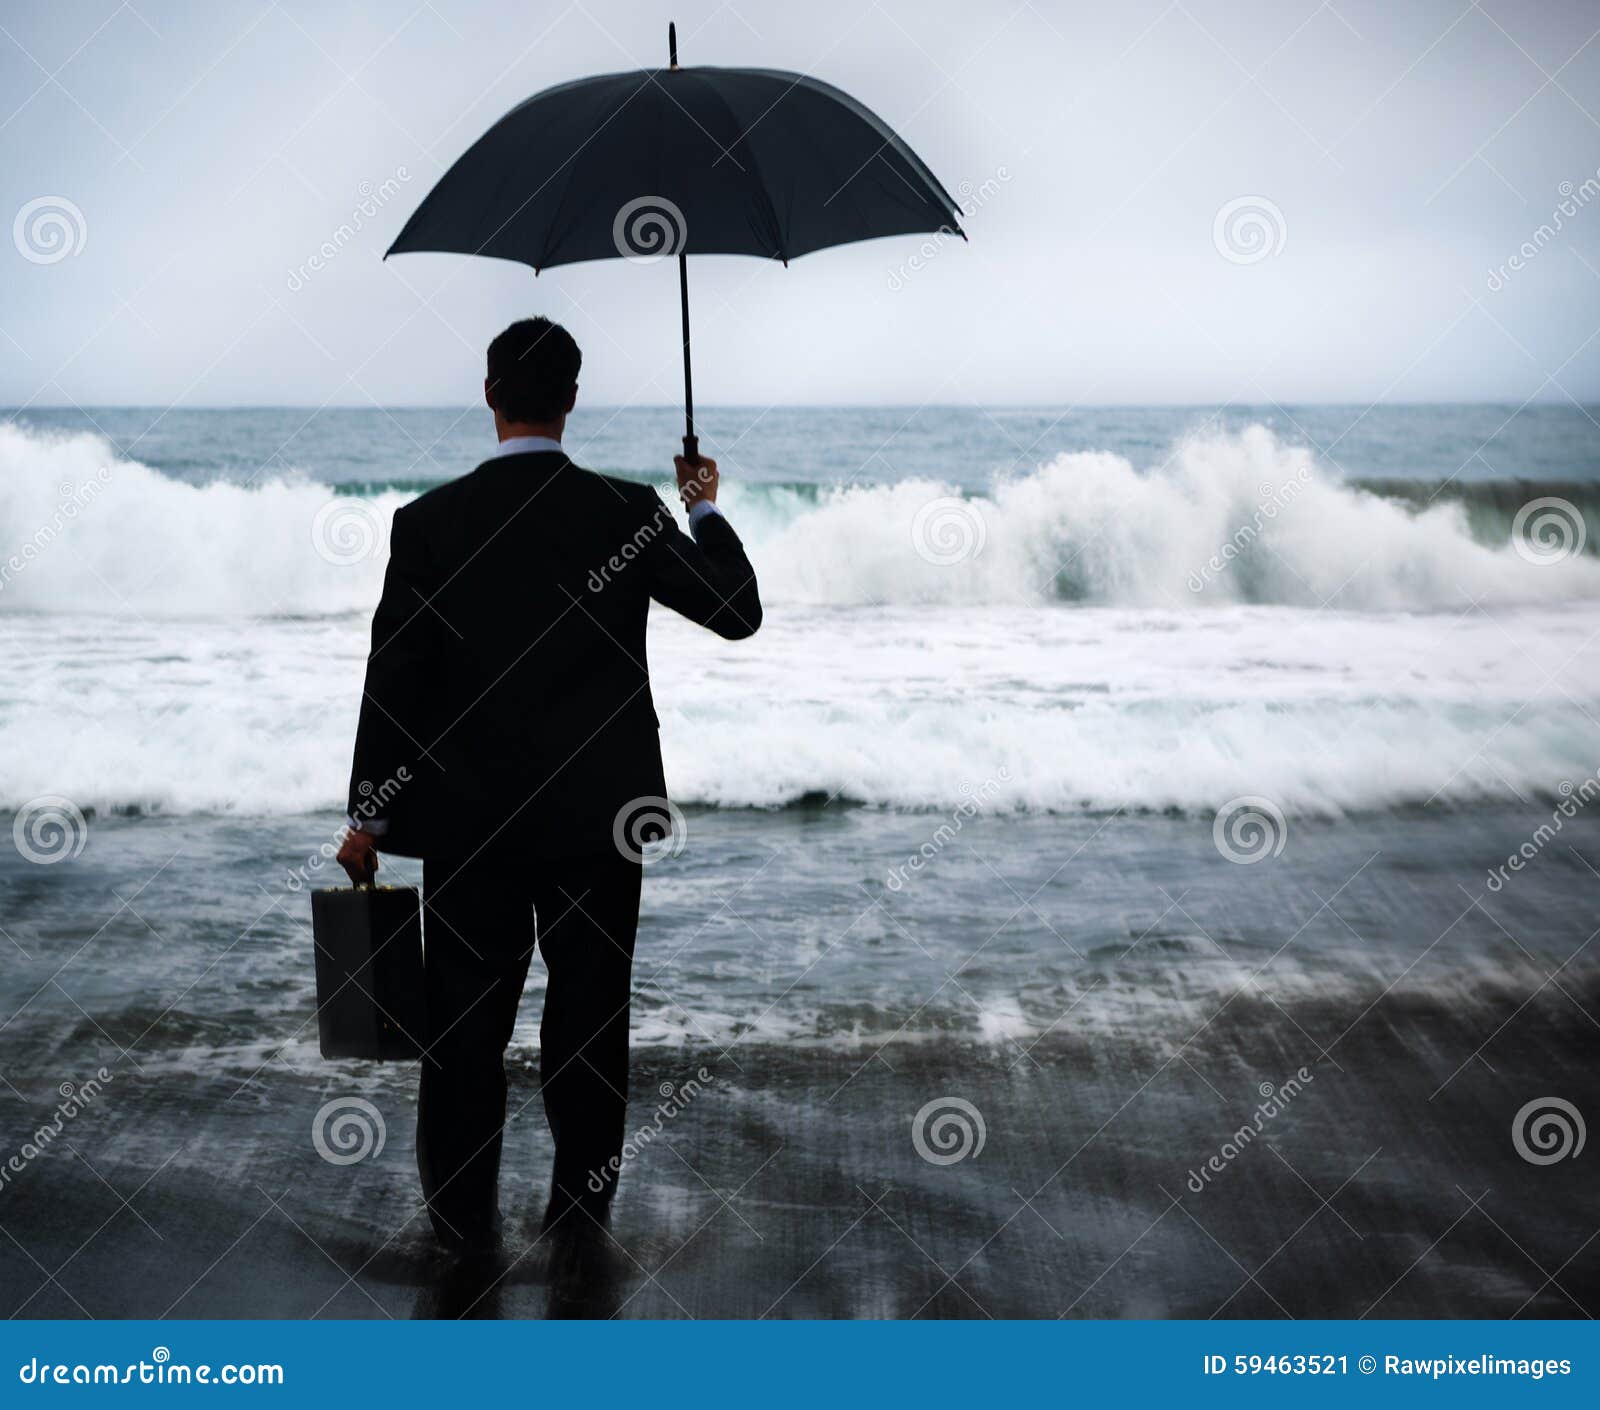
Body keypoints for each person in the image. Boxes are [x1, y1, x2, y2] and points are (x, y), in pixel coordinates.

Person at [335, 316, 761, 1254]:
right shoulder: (626, 511)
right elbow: (736, 612)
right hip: (599, 820)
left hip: (468, 824)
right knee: (590, 1020)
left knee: (462, 1030)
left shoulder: (430, 523)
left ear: (489, 396)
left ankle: (459, 1222)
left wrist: (367, 814)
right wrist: (703, 507)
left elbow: (392, 679)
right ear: (572, 399)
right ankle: (577, 1215)